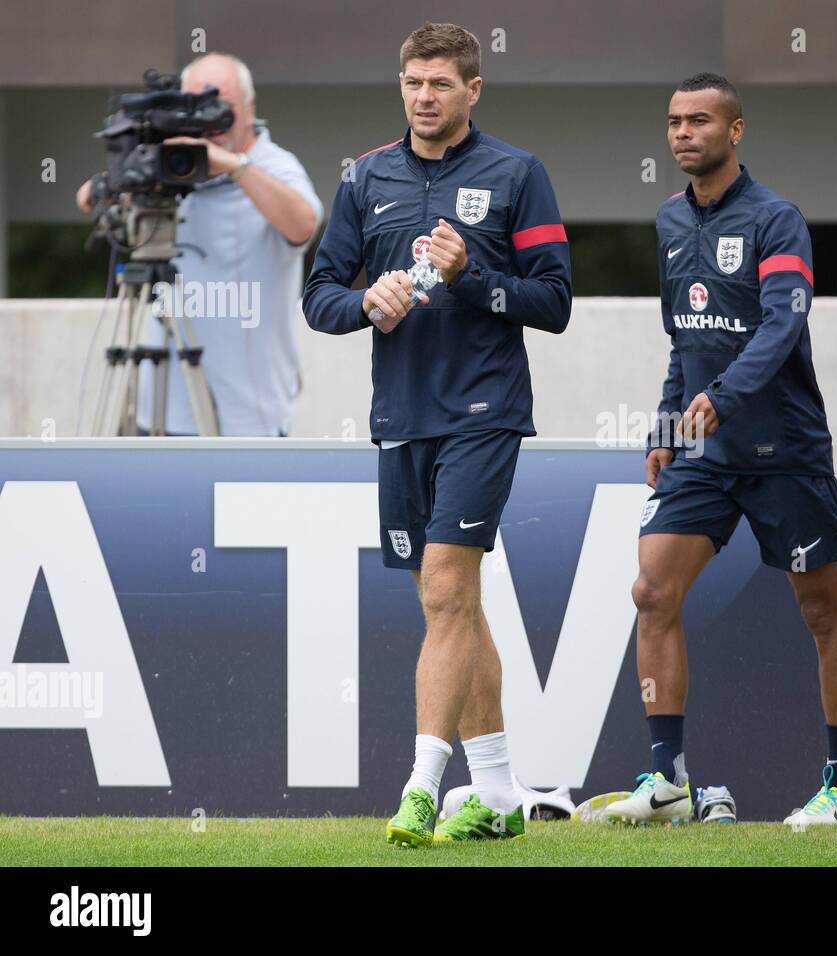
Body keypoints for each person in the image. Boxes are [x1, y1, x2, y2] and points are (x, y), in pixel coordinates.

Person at [302, 22, 572, 846]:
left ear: (473, 90)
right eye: (414, 82)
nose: (425, 96)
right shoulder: (365, 178)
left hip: (485, 413)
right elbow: (319, 296)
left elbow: (554, 302)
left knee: (449, 590)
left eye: (441, 84)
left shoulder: (518, 174)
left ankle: (423, 787)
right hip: (400, 418)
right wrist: (364, 305)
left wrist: (473, 277)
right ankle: (495, 791)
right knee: (451, 602)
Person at [605, 73, 837, 829]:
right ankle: (668, 781)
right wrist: (667, 423)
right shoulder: (667, 221)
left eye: (699, 120)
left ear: (736, 130)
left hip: (785, 450)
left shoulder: (777, 221)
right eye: (674, 122)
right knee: (653, 591)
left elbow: (781, 326)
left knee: (823, 612)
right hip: (702, 452)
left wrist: (719, 399)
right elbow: (682, 343)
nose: (683, 133)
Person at [76, 52, 322, 436]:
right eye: (195, 105)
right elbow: (88, 197)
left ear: (249, 105)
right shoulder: (170, 164)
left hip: (248, 414)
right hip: (163, 408)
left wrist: (232, 164)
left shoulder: (273, 164)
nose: (208, 119)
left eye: (219, 103)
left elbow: (304, 224)